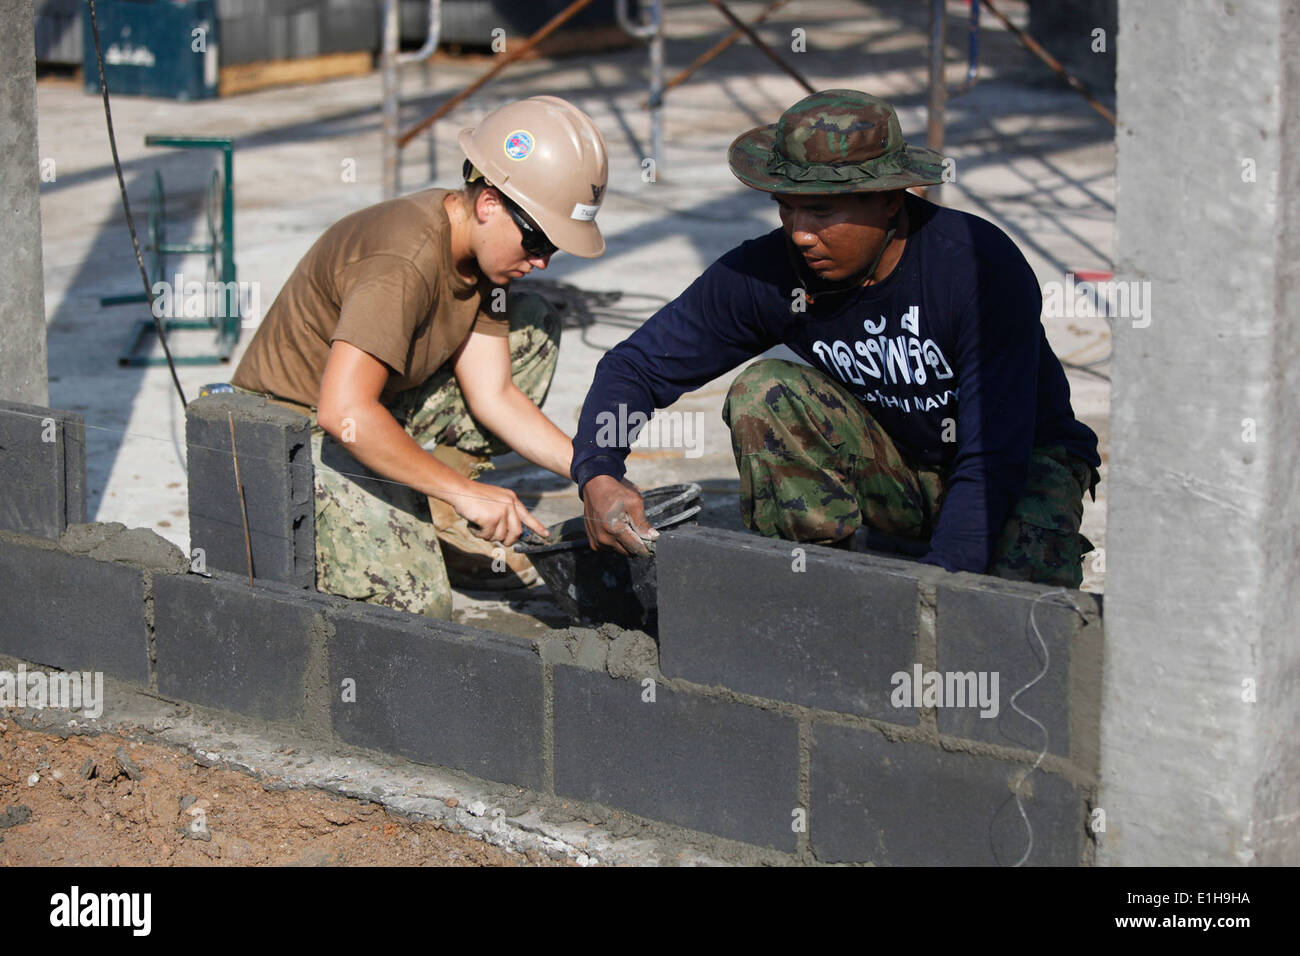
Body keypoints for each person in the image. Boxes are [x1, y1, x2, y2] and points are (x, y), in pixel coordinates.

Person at [571, 89, 1100, 588]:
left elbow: (993, 455)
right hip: (898, 473)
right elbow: (635, 367)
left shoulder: (975, 266)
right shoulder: (770, 271)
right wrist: (599, 472)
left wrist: (940, 588)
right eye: (786, 206)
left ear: (890, 200)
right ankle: (817, 588)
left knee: (1014, 625)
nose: (800, 232)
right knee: (766, 393)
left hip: (1016, 468)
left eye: (822, 210)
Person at [231, 95, 610, 617]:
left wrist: (595, 473)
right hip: (296, 432)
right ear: (489, 204)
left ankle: (433, 511)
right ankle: (417, 509)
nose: (542, 260)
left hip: (376, 406)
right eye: (536, 240)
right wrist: (465, 492)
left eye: (555, 248)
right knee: (418, 607)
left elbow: (494, 395)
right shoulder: (403, 260)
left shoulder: (480, 261)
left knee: (534, 325)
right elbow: (342, 412)